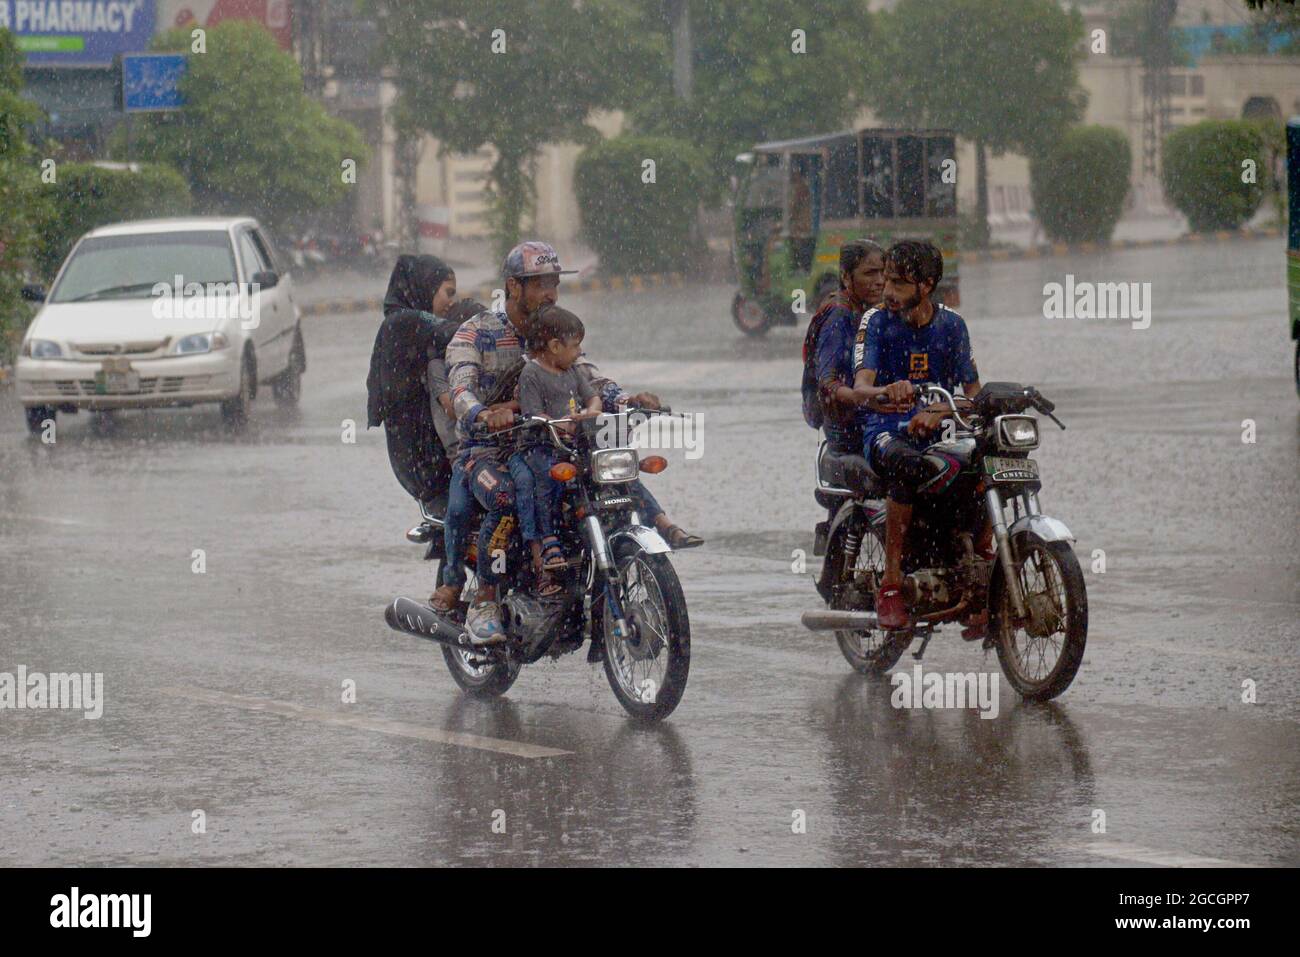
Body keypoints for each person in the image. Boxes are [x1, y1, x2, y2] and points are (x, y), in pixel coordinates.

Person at [438, 240, 701, 643]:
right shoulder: (475, 334)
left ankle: (602, 560)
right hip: (489, 451)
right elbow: (459, 390)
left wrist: (627, 400)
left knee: (609, 474)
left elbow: (588, 378)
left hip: (552, 445)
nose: (551, 294)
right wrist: (485, 413)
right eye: (541, 284)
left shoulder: (554, 330)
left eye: (554, 284)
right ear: (513, 287)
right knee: (508, 496)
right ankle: (486, 598)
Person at [850, 240, 982, 631]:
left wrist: (942, 409)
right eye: (887, 280)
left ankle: (979, 567)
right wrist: (887, 392)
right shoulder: (875, 322)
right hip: (885, 431)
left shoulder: (952, 326)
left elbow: (973, 394)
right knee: (907, 466)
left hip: (942, 431)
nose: (889, 292)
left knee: (987, 459)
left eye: (900, 283)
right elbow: (860, 388)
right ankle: (891, 583)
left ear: (926, 285)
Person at [510, 305, 602, 595]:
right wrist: (558, 425)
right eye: (575, 346)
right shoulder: (531, 375)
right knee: (547, 479)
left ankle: (655, 519)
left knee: (611, 472)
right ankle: (547, 539)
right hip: (540, 445)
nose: (579, 352)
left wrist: (591, 412)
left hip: (571, 445)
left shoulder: (573, 371)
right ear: (553, 346)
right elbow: (534, 414)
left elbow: (594, 398)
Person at [366, 255, 461, 517]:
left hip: (431, 450)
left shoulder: (409, 323)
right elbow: (458, 333)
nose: (451, 301)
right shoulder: (403, 321)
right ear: (427, 287)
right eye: (448, 293)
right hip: (424, 457)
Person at [802, 239, 886, 454]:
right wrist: (863, 397)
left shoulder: (870, 310)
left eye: (883, 273)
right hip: (846, 425)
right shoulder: (839, 315)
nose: (879, 281)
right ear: (846, 277)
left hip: (871, 413)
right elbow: (827, 383)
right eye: (870, 273)